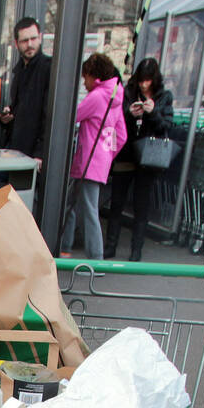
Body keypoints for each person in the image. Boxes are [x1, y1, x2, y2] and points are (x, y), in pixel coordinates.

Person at [59, 53, 126, 261]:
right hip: (100, 163)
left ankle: (94, 258)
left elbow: (71, 117)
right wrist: (107, 154)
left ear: (94, 77)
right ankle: (65, 247)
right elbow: (121, 135)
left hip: (87, 161)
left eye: (85, 77)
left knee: (85, 209)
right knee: (76, 204)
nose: (84, 82)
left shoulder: (96, 97)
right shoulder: (115, 98)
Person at [106, 57, 174, 262]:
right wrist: (129, 113)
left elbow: (167, 127)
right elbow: (115, 120)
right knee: (116, 202)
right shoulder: (128, 92)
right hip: (127, 153)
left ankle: (137, 250)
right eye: (142, 80)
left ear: (154, 80)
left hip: (148, 157)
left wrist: (152, 113)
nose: (144, 84)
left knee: (141, 206)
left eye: (148, 81)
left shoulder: (164, 97)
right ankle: (110, 246)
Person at [0, 16, 52, 204]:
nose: (30, 44)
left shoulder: (48, 69)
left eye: (33, 38)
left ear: (40, 37)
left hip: (32, 154)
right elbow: (21, 109)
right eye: (24, 40)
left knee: (26, 207)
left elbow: (49, 116)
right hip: (16, 150)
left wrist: (40, 153)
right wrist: (7, 118)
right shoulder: (19, 71)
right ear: (16, 43)